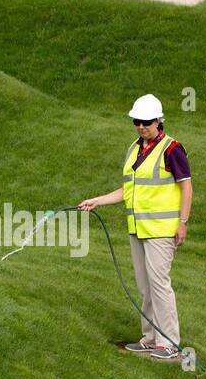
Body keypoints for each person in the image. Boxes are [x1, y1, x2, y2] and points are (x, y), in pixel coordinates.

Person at [79, 94, 193, 362]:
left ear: (158, 121)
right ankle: (150, 337)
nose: (141, 126)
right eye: (136, 121)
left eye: (146, 122)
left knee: (159, 284)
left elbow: (186, 186)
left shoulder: (172, 149)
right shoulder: (134, 149)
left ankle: (169, 342)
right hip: (138, 229)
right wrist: (98, 201)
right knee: (145, 286)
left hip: (161, 230)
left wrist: (183, 223)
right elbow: (128, 190)